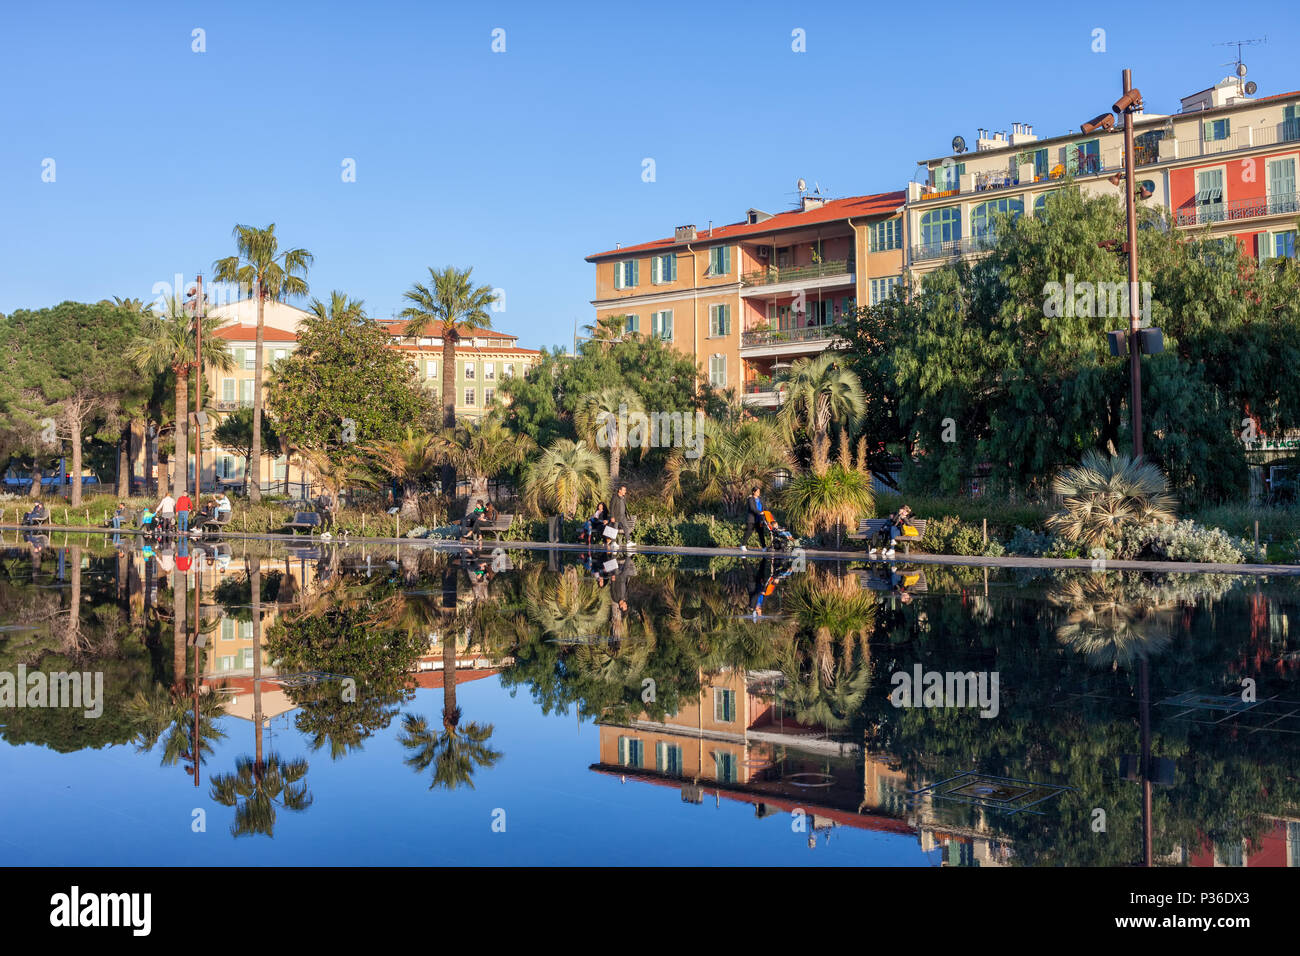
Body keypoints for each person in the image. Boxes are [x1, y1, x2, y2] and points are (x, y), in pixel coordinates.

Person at [741, 486, 769, 552]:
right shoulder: (750, 499)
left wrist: (767, 512)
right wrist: (760, 513)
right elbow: (752, 508)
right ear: (753, 492)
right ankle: (743, 545)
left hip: (760, 519)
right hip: (752, 519)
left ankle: (764, 547)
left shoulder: (761, 499)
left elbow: (765, 507)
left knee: (761, 532)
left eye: (759, 491)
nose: (759, 493)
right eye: (757, 491)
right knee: (749, 531)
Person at [609, 485, 635, 549]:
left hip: (623, 516)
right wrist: (612, 516)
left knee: (626, 527)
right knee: (614, 529)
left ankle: (628, 542)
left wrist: (627, 514)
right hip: (616, 516)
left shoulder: (623, 497)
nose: (625, 491)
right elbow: (611, 507)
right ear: (620, 490)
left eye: (625, 490)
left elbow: (625, 506)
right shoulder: (615, 497)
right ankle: (613, 542)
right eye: (624, 490)